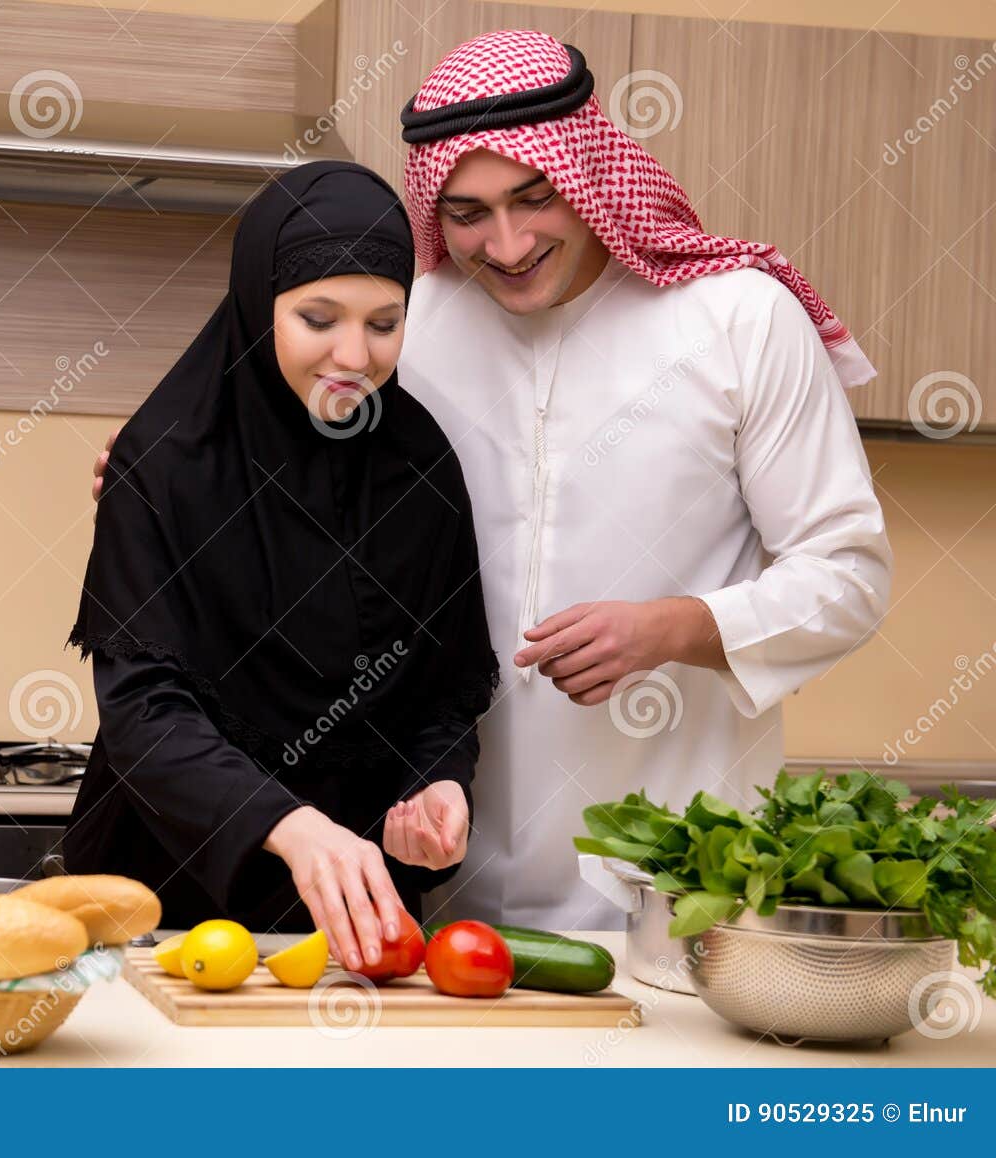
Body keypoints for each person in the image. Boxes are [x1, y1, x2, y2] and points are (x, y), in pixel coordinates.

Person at [93, 32, 892, 932]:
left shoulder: (738, 318)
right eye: (467, 212)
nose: (505, 244)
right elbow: (274, 451)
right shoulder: (412, 322)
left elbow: (849, 575)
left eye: (534, 197)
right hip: (434, 882)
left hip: (673, 877)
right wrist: (168, 475)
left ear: (587, 169)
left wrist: (676, 626)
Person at [64, 160, 499, 970]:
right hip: (159, 896)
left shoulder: (423, 465)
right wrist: (292, 827)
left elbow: (443, 698)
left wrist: (441, 786)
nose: (354, 354)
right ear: (257, 304)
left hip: (357, 914)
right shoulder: (161, 462)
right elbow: (145, 711)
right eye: (318, 317)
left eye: (384, 322)